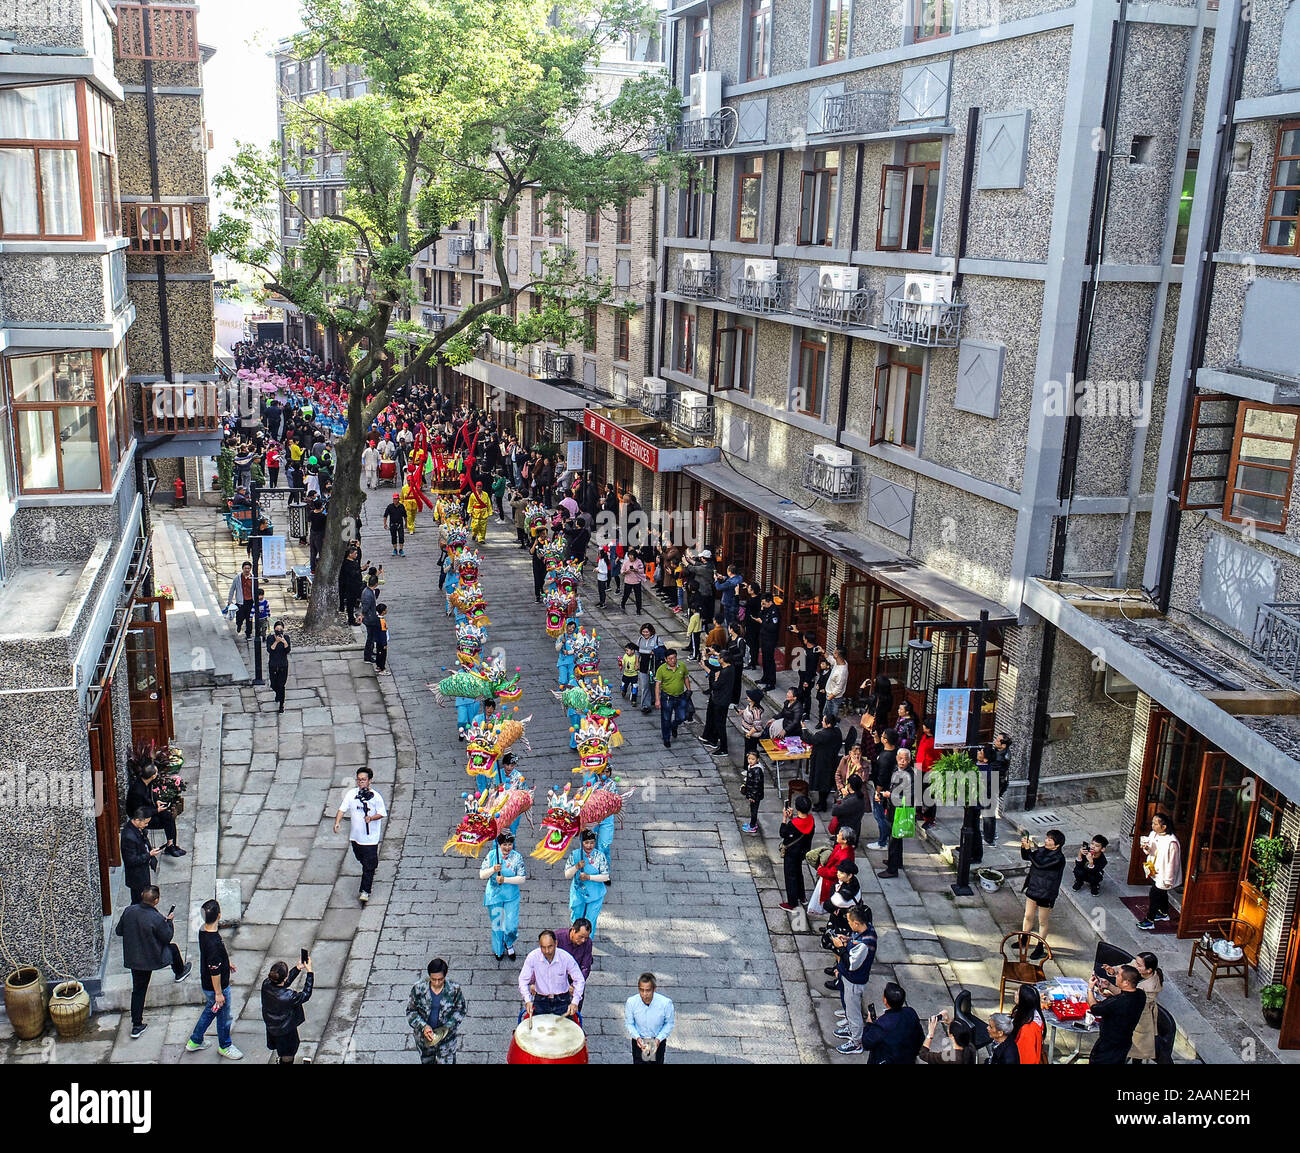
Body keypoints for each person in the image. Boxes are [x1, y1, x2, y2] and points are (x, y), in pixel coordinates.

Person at [115, 885, 191, 1039]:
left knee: (138, 990)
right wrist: (168, 922)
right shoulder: (156, 918)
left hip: (133, 958)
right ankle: (180, 971)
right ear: (156, 901)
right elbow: (166, 937)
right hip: (150, 957)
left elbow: (119, 931)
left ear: (142, 895)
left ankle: (137, 1025)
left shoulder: (129, 911)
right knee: (173, 948)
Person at [185, 898, 242, 1059]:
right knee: (224, 1017)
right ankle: (225, 1045)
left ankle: (195, 1040)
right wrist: (219, 993)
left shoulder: (204, 930)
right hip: (217, 986)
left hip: (207, 983)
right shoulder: (213, 943)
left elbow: (215, 959)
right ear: (219, 915)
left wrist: (226, 962)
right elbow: (214, 970)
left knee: (211, 1011)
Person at [1095, 951, 1164, 1062]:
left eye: (1139, 965)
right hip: (1129, 1012)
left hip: (1140, 1019)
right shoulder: (1136, 965)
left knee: (1137, 1052)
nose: (1135, 965)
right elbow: (1124, 968)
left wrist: (1110, 987)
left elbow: (1130, 997)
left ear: (1148, 970)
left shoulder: (1150, 987)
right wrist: (1113, 970)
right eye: (1136, 962)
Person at [334, 767, 387, 905]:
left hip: (370, 839)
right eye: (358, 779)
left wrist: (372, 818)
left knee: (369, 865)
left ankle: (365, 891)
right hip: (356, 838)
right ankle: (368, 870)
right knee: (361, 859)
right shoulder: (351, 794)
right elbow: (342, 808)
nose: (360, 782)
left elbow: (382, 813)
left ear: (369, 781)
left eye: (363, 780)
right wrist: (337, 822)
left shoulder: (376, 797)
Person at [830, 904, 877, 1054]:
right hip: (847, 977)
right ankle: (851, 1028)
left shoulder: (864, 944)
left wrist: (841, 947)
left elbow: (851, 964)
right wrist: (849, 939)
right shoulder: (865, 929)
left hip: (854, 980)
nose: (848, 924)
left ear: (857, 923)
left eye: (850, 922)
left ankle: (856, 1042)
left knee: (853, 1012)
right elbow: (855, 943)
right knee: (848, 1005)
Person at [407, 958, 468, 1064]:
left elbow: (460, 1010)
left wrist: (447, 1027)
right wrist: (423, 1026)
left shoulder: (454, 989)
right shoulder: (419, 988)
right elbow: (411, 1011)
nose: (436, 983)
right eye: (433, 979)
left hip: (446, 1039)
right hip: (425, 1038)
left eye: (440, 979)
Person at [1019, 828, 1067, 958]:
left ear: (1057, 845)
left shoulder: (1059, 859)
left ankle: (1040, 946)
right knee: (1028, 916)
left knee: (1042, 921)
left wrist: (1029, 851)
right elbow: (1027, 857)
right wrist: (1024, 847)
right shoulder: (1041, 850)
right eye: (1047, 838)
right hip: (1034, 887)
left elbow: (1040, 865)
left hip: (1047, 892)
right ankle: (1024, 939)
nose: (1046, 841)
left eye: (1050, 840)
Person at [480, 831, 526, 961]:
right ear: (499, 844)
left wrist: (504, 879)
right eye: (504, 844)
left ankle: (509, 942)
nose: (507, 848)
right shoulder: (492, 855)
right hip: (494, 896)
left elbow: (522, 878)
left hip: (511, 896)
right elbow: (482, 874)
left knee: (511, 926)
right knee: (497, 924)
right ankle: (498, 949)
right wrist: (493, 870)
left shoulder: (517, 857)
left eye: (510, 844)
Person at [518, 929, 585, 1019]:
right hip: (541, 1000)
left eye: (550, 947)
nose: (547, 951)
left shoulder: (565, 957)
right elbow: (523, 980)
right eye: (543, 947)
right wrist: (527, 1000)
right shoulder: (532, 957)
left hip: (562, 1000)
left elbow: (579, 979)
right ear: (539, 946)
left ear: (556, 943)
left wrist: (575, 1002)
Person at [1087, 965, 1147, 1064]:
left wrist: (1090, 989)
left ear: (1126, 982)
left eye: (1118, 975)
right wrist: (1109, 986)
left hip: (1107, 1045)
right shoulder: (1140, 995)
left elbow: (1095, 1008)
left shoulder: (1117, 1002)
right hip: (1124, 1043)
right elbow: (1125, 993)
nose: (1116, 976)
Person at [125, 761, 185, 858]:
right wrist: (156, 810)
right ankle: (170, 845)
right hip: (139, 816)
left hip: (147, 808)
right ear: (152, 776)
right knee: (165, 821)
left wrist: (156, 802)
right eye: (156, 773)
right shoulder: (137, 790)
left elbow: (150, 796)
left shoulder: (145, 782)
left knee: (168, 816)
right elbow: (140, 812)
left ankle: (171, 844)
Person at [261, 955, 314, 1064]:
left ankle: (282, 1060)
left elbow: (283, 983)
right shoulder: (288, 996)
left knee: (282, 1049)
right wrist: (309, 973)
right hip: (285, 1030)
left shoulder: (266, 984)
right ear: (284, 977)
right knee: (288, 1053)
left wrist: (297, 968)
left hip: (272, 1026)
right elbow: (306, 994)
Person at [1137, 813, 1182, 931]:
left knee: (1154, 894)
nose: (1153, 826)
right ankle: (1163, 912)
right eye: (1152, 823)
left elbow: (1173, 863)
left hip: (1164, 873)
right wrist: (1146, 848)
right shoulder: (1153, 834)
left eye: (1156, 824)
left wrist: (1168, 880)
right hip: (1154, 869)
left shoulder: (1171, 842)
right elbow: (1151, 850)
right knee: (1161, 893)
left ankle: (1149, 920)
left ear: (1164, 827)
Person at [860, 981, 924, 1064]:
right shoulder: (910, 1012)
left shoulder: (881, 1025)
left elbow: (866, 1043)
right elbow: (920, 1037)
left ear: (885, 1000)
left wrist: (869, 1024)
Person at [876, 747, 916, 880]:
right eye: (900, 759)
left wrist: (890, 794)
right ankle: (896, 861)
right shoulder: (895, 769)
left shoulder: (911, 776)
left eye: (905, 759)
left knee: (894, 838)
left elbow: (909, 796)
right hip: (892, 808)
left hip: (900, 810)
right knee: (895, 837)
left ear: (909, 760)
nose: (902, 761)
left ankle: (892, 869)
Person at [565, 829, 610, 937]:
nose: (589, 846)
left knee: (590, 921)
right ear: (581, 842)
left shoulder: (600, 856)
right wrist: (576, 867)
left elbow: (605, 876)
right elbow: (567, 875)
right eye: (586, 842)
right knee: (576, 919)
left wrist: (589, 877)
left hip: (596, 894)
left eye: (592, 842)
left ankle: (587, 943)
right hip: (578, 894)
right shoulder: (575, 855)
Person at [624, 973, 675, 1064]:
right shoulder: (632, 1002)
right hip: (640, 1041)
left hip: (656, 1041)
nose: (644, 994)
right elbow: (629, 1023)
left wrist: (658, 1039)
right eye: (641, 990)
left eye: (648, 991)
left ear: (654, 989)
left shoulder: (665, 1003)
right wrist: (637, 1037)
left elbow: (669, 1023)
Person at [778, 795, 816, 910]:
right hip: (802, 852)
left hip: (791, 854)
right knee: (799, 873)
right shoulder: (811, 820)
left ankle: (792, 902)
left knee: (790, 876)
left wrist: (785, 818)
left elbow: (783, 833)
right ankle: (802, 897)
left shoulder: (793, 824)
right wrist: (792, 819)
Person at [121, 808, 164, 904]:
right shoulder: (129, 837)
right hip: (136, 876)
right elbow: (131, 860)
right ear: (137, 820)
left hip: (142, 870)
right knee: (139, 900)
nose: (146, 825)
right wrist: (149, 855)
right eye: (145, 823)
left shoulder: (137, 829)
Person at [803, 712, 843, 812]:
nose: (822, 722)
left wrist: (804, 729)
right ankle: (822, 802)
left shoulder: (823, 734)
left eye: (823, 721)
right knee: (826, 783)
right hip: (832, 759)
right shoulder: (837, 732)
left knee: (822, 783)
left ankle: (822, 804)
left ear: (828, 724)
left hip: (823, 762)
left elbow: (811, 739)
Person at [699, 647, 735, 756]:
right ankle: (713, 740)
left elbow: (715, 685)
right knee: (717, 722)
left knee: (720, 725)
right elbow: (713, 667)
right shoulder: (730, 668)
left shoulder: (724, 672)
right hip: (722, 700)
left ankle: (724, 749)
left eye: (719, 657)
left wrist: (714, 678)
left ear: (723, 659)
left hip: (720, 701)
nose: (718, 658)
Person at [654, 648, 691, 750]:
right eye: (670, 659)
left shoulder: (682, 666)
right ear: (666, 659)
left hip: (680, 696)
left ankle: (674, 726)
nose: (673, 660)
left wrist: (689, 690)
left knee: (682, 717)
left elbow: (686, 677)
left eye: (674, 658)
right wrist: (657, 699)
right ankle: (666, 738)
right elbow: (657, 685)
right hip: (667, 697)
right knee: (666, 718)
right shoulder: (661, 669)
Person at [555, 919, 594, 1001]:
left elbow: (586, 967)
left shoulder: (588, 943)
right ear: (573, 930)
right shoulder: (557, 937)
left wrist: (575, 985)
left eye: (586, 938)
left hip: (575, 977)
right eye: (581, 937)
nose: (583, 940)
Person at [1010, 982, 1046, 1065]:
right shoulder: (1031, 1013)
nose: (1015, 993)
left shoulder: (1027, 1030)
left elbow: (1025, 1058)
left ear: (1023, 1001)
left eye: (1018, 993)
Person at [830, 773, 866, 842]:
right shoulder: (860, 796)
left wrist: (842, 798)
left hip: (846, 830)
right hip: (855, 826)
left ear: (849, 785)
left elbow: (834, 810)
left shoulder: (851, 801)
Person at [226, 560, 256, 641]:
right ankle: (239, 625)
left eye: (248, 568)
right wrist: (229, 600)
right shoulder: (237, 578)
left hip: (250, 601)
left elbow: (256, 590)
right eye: (245, 568)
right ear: (242, 569)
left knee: (249, 619)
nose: (247, 570)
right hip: (240, 602)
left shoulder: (253, 578)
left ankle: (248, 634)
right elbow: (232, 589)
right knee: (240, 617)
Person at [266, 619, 292, 712]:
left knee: (281, 685)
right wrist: (276, 641)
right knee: (273, 684)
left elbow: (288, 650)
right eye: (277, 629)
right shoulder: (270, 638)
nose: (279, 630)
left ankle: (281, 704)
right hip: (273, 664)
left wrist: (284, 642)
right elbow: (270, 650)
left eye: (281, 629)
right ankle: (278, 694)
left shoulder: (287, 638)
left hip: (283, 665)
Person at [757, 594, 781, 690]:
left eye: (764, 603)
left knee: (769, 660)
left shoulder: (774, 611)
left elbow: (773, 627)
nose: (763, 605)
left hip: (770, 639)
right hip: (764, 637)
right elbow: (760, 616)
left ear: (770, 601)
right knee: (765, 659)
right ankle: (765, 677)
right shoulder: (766, 609)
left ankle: (771, 682)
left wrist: (762, 622)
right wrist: (762, 610)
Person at [740, 749, 765, 834]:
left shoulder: (757, 770)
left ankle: (752, 826)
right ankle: (753, 823)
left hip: (755, 795)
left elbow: (756, 785)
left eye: (753, 759)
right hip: (753, 793)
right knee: (752, 809)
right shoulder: (751, 767)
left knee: (754, 810)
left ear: (757, 759)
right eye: (749, 759)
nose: (750, 761)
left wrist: (752, 796)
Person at [361, 573, 382, 664]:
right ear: (376, 584)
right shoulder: (368, 594)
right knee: (370, 638)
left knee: (371, 637)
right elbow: (365, 608)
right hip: (370, 619)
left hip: (371, 617)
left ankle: (370, 652)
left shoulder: (367, 591)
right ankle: (367, 656)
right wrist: (362, 615)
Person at [824, 646, 849, 721]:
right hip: (830, 695)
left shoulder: (841, 672)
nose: (832, 653)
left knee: (832, 719)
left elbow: (838, 688)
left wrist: (829, 698)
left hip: (834, 698)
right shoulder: (839, 662)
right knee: (826, 716)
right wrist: (823, 652)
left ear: (837, 654)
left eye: (834, 652)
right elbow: (831, 660)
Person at [740, 688, 765, 760]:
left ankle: (748, 767)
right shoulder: (749, 705)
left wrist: (749, 734)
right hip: (747, 731)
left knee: (750, 752)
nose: (748, 696)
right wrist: (742, 712)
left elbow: (758, 727)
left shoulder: (756, 712)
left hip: (752, 735)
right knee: (747, 750)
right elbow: (747, 712)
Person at [620, 549, 645, 613]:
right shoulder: (626, 562)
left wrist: (637, 570)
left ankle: (638, 609)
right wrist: (626, 572)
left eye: (632, 557)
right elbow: (622, 571)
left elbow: (642, 570)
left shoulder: (639, 562)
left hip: (636, 581)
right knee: (626, 594)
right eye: (629, 557)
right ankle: (623, 603)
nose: (630, 558)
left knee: (638, 596)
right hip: (628, 581)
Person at [383, 491, 406, 556]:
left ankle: (401, 549)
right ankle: (395, 549)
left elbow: (405, 515)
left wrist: (406, 523)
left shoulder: (401, 506)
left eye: (396, 499)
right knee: (393, 537)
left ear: (399, 499)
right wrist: (385, 524)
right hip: (392, 524)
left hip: (400, 524)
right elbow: (385, 515)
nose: (395, 500)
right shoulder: (390, 506)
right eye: (394, 499)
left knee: (401, 537)